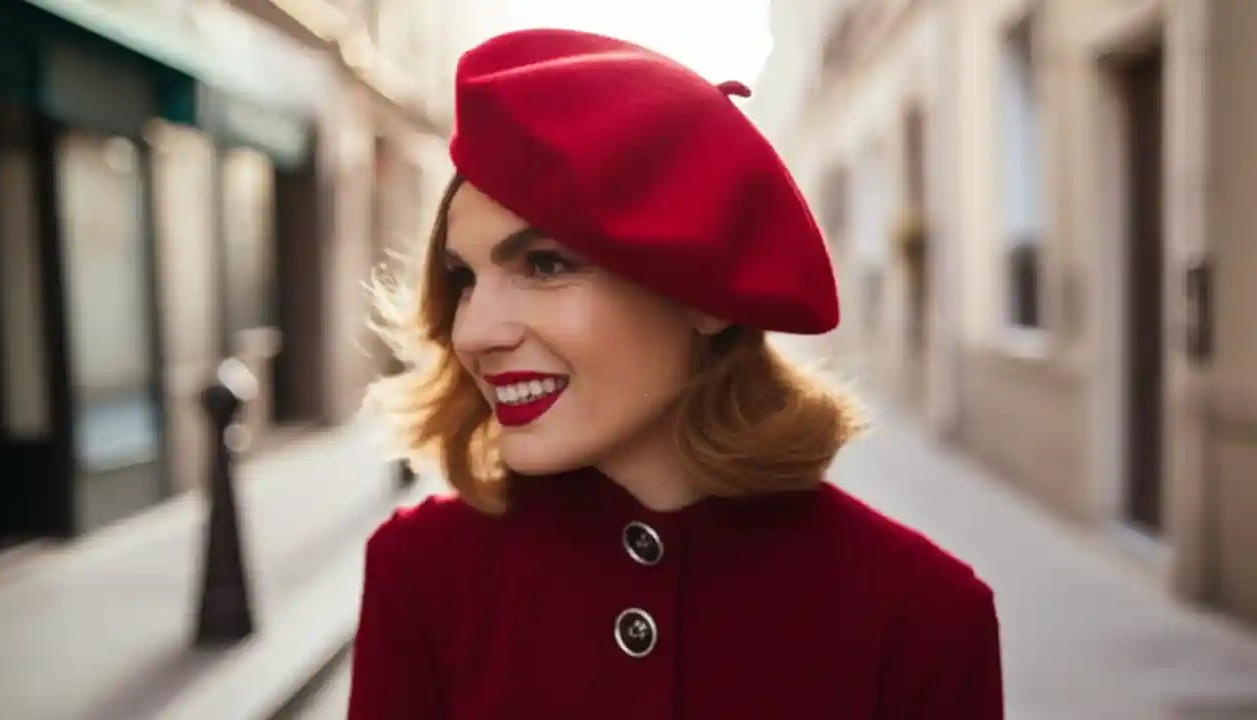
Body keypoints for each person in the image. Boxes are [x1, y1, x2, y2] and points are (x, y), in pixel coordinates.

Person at [349, 28, 1002, 719]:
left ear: (703, 296)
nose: (474, 333)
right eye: (464, 278)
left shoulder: (922, 618)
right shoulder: (421, 576)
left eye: (545, 264)